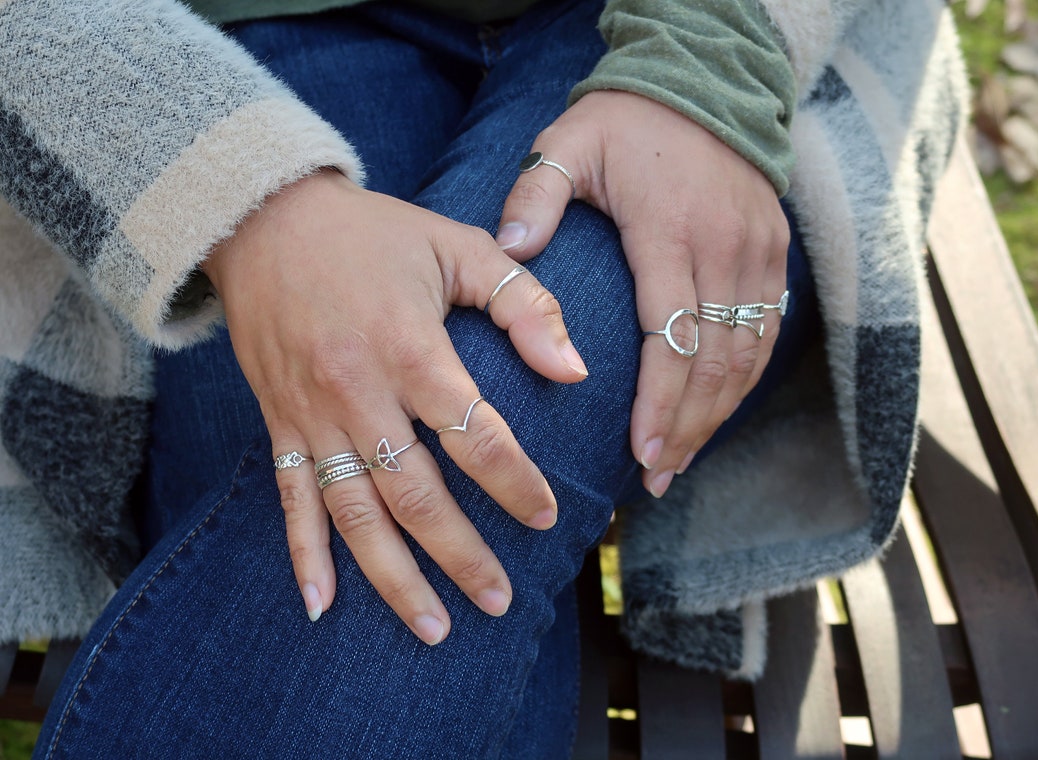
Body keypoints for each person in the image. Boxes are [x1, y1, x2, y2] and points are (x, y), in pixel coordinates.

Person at [0, 0, 967, 756]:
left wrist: (708, 70)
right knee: (353, 499)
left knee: (442, 462)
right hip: (211, 42)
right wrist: (252, 206)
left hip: (680, 31)